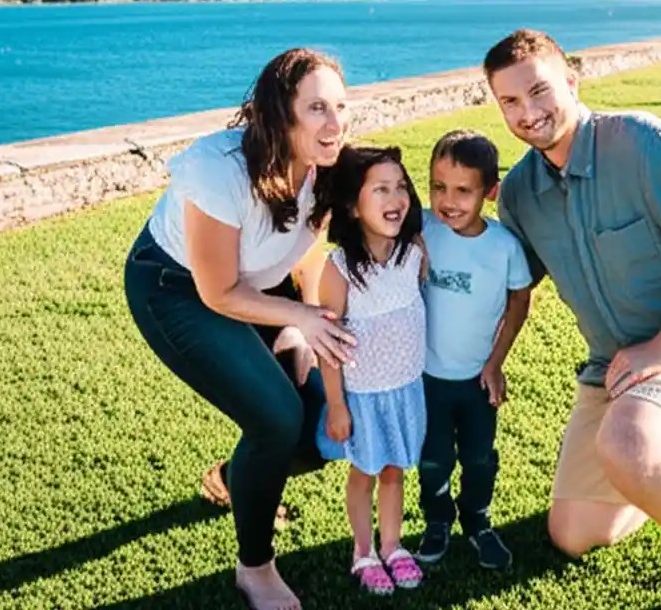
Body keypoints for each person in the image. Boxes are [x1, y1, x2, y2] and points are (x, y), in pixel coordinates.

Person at [487, 29, 661, 610]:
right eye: (510, 102)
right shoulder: (519, 192)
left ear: (572, 81)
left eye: (539, 91)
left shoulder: (644, 144)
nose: (528, 113)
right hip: (617, 369)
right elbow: (511, 285)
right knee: (573, 535)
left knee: (628, 441)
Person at [123, 48, 356, 610]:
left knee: (318, 428)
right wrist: (300, 319)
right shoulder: (218, 168)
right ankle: (255, 569)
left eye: (342, 106)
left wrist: (308, 311)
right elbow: (218, 292)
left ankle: (236, 478)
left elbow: (309, 251)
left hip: (265, 287)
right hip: (177, 289)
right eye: (317, 108)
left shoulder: (328, 166)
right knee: (277, 418)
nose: (335, 123)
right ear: (281, 114)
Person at [414, 129, 532, 570]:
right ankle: (437, 521)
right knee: (432, 460)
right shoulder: (422, 227)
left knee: (479, 458)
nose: (449, 200)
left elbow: (520, 299)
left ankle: (478, 521)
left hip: (478, 380)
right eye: (438, 186)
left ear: (490, 192)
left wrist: (496, 363)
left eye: (464, 190)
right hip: (427, 378)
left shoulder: (503, 247)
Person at [314, 145, 429, 596]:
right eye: (380, 189)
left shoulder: (414, 252)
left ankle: (393, 545)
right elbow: (329, 346)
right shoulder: (339, 269)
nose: (395, 197)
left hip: (406, 390)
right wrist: (337, 405)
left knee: (395, 471)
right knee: (364, 473)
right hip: (362, 397)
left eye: (401, 187)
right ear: (351, 205)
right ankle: (363, 552)